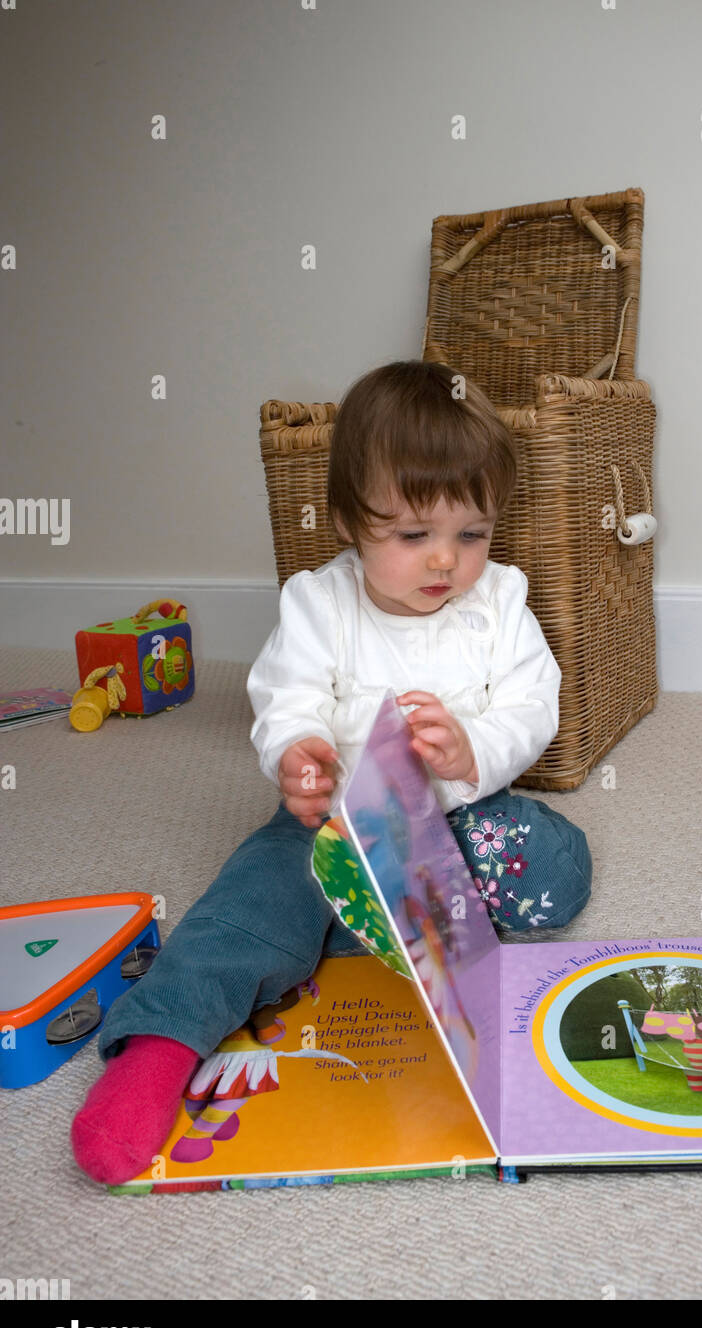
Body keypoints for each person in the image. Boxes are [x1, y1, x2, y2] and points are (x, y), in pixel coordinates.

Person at [71, 359, 593, 1185]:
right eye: (413, 536)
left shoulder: (500, 600)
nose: (446, 560)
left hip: (455, 820)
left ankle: (362, 925)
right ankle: (159, 1048)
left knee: (559, 862)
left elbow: (533, 707)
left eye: (472, 534)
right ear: (350, 521)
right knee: (251, 901)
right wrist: (299, 752)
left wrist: (474, 750)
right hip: (332, 826)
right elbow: (287, 696)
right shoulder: (319, 602)